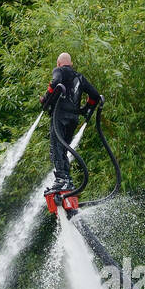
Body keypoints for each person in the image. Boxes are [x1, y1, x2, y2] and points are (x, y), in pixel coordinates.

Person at [39, 52, 101, 191]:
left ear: (58, 63)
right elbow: (95, 96)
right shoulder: (80, 77)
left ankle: (61, 179)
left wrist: (46, 98)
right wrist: (85, 109)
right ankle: (67, 179)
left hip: (59, 117)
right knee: (63, 148)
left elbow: (55, 82)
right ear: (71, 64)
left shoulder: (59, 70)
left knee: (56, 147)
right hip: (73, 118)